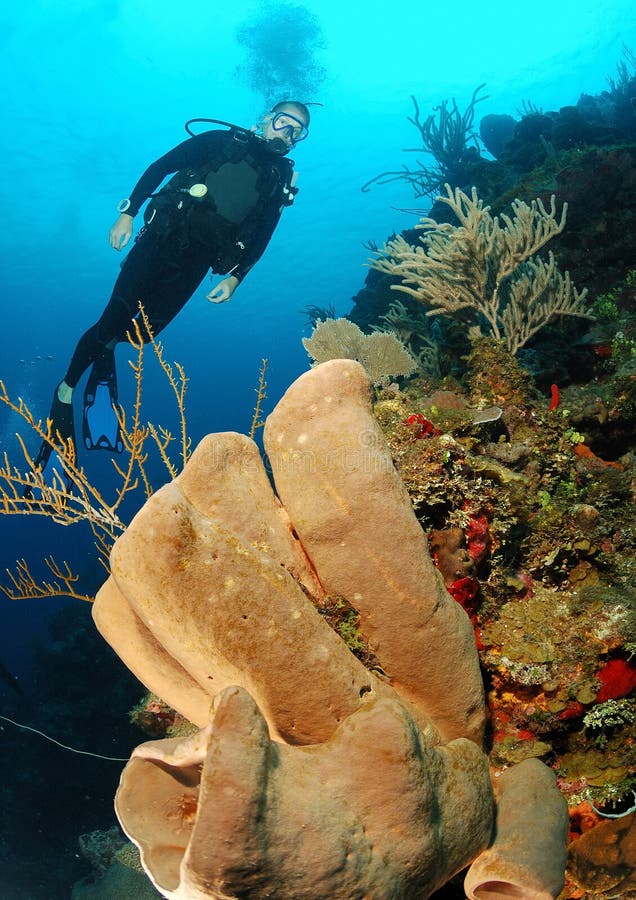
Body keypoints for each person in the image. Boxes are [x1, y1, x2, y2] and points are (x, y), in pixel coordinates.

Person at [32, 100, 310, 485]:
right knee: (115, 314)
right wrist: (128, 212)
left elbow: (263, 234)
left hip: (199, 259)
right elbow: (160, 167)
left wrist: (236, 277)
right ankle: (66, 388)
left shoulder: (280, 180)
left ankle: (108, 347)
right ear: (266, 119)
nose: (288, 132)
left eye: (298, 130)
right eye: (283, 122)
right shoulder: (218, 140)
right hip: (161, 239)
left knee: (145, 334)